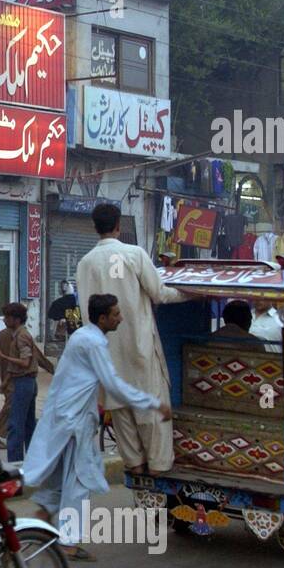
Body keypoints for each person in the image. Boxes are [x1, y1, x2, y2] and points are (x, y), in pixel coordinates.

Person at [24, 294, 172, 560]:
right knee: (79, 480)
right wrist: (152, 402)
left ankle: (40, 519)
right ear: (102, 318)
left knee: (60, 476)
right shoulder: (92, 343)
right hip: (74, 420)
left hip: (66, 417)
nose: (120, 318)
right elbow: (113, 384)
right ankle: (67, 542)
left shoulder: (83, 337)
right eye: (116, 314)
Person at [76, 202, 187, 474]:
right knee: (152, 416)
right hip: (140, 349)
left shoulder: (85, 263)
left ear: (95, 227)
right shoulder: (134, 254)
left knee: (122, 418)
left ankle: (139, 485)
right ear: (119, 226)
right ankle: (159, 478)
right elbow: (160, 293)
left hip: (105, 356)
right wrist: (193, 293)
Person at [0, 302, 55, 464]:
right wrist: (6, 381)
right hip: (23, 382)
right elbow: (17, 365)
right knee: (27, 425)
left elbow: (25, 362)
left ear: (16, 319)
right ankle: (33, 462)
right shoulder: (14, 335)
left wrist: (3, 357)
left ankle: (15, 464)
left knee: (16, 426)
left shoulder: (21, 336)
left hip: (24, 383)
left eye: (7, 317)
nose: (4, 320)